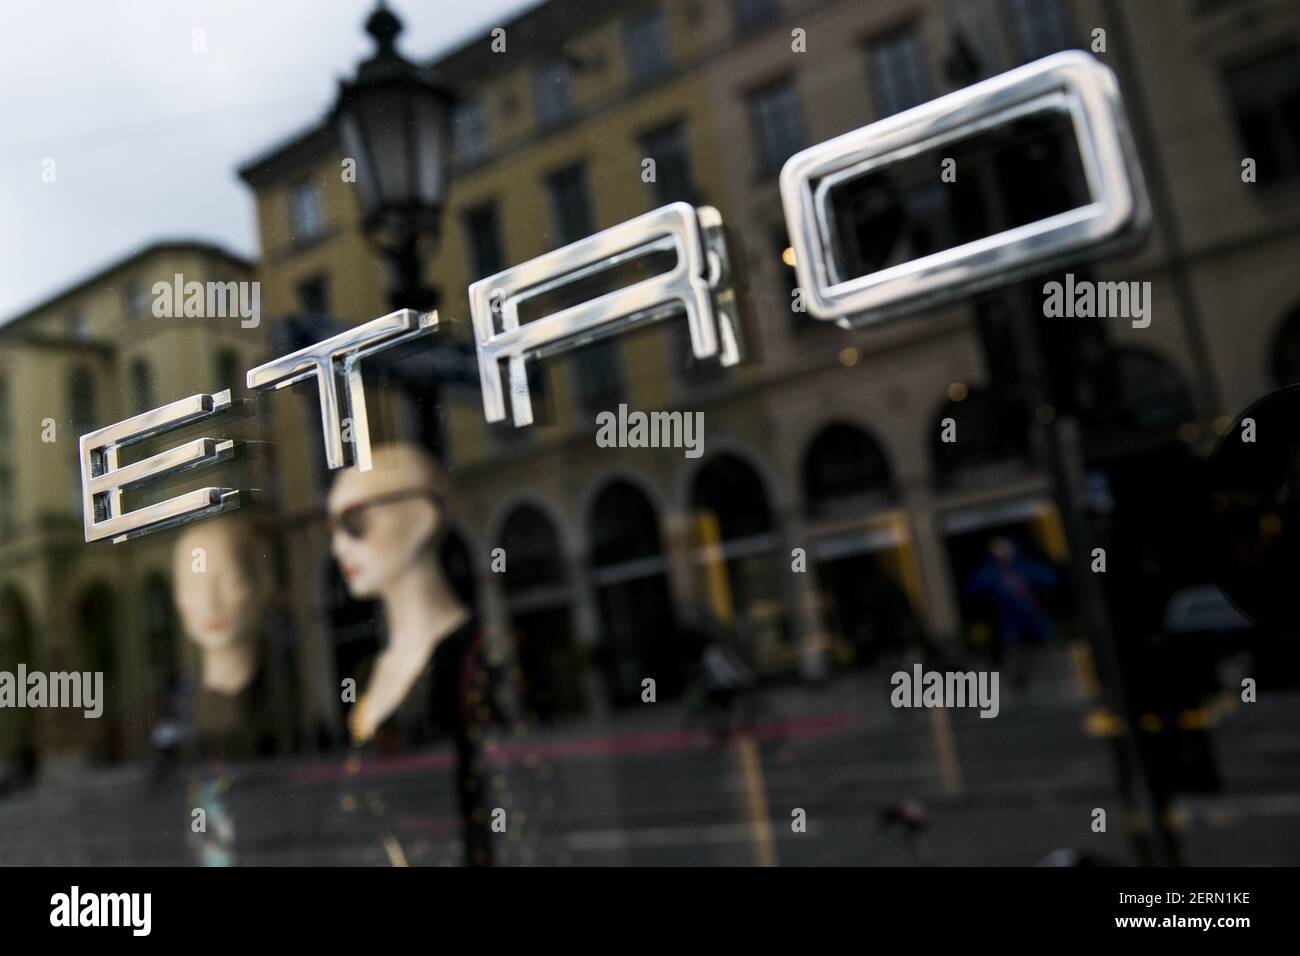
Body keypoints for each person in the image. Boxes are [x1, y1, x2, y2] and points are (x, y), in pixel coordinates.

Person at [328, 442, 495, 866]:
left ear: (420, 518)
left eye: (354, 521)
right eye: (329, 528)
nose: (338, 548)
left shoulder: (476, 660)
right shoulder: (372, 672)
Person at [963, 537, 1058, 692]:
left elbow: (1048, 576)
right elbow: (974, 585)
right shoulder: (992, 571)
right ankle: (1018, 682)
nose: (1001, 553)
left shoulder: (1023, 566)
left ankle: (1051, 677)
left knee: (1046, 644)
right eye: (997, 550)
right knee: (1012, 650)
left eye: (1003, 549)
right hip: (1009, 619)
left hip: (1031, 614)